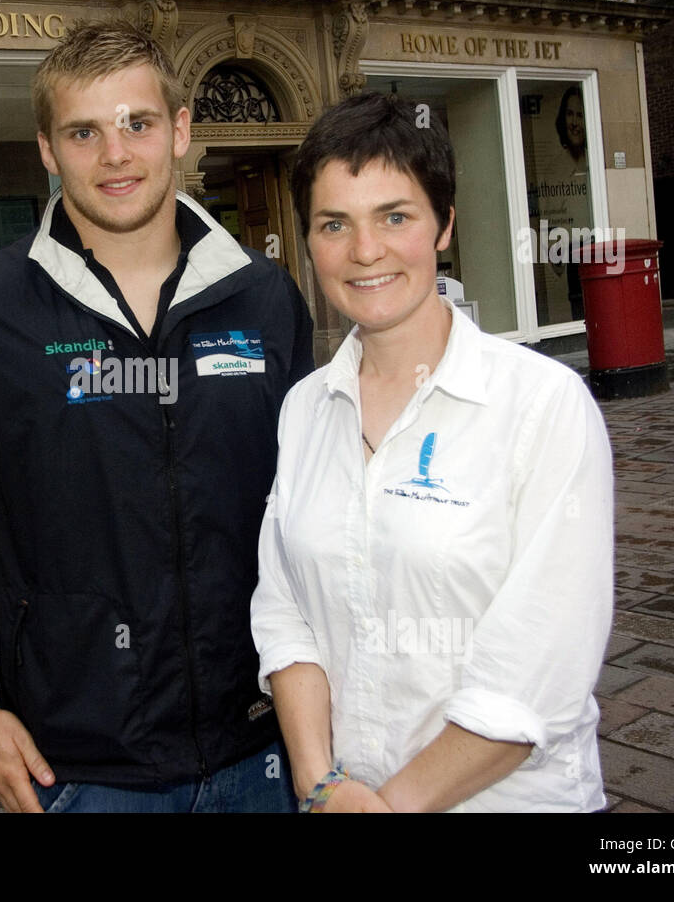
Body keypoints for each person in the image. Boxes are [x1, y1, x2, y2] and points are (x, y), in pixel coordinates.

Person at [0, 19, 314, 813]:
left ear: (181, 132)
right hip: (80, 772)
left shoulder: (266, 298)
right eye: (83, 132)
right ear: (48, 149)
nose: (114, 155)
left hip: (265, 748)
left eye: (138, 124)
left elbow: (312, 510)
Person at [251, 92, 613, 812]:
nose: (365, 251)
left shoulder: (541, 405)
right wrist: (318, 781)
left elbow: (540, 663)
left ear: (444, 224)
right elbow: (283, 609)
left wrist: (388, 806)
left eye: (395, 215)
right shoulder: (304, 409)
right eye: (334, 224)